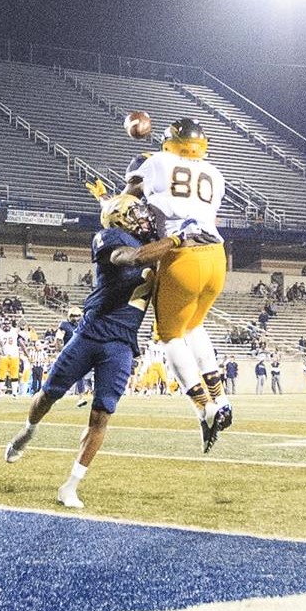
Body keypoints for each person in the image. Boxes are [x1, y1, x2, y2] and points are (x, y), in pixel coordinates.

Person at [4, 193, 178, 509]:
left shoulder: (151, 239)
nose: (143, 217)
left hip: (122, 342)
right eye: (135, 213)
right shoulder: (110, 237)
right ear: (119, 219)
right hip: (91, 332)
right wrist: (179, 238)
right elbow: (133, 258)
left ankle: (70, 486)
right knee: (49, 394)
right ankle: (28, 431)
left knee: (101, 415)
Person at [122, 118, 230, 451]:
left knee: (168, 335)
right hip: (217, 257)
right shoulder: (215, 173)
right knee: (194, 326)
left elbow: (128, 198)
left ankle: (203, 407)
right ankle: (221, 397)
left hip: (182, 254)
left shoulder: (156, 162)